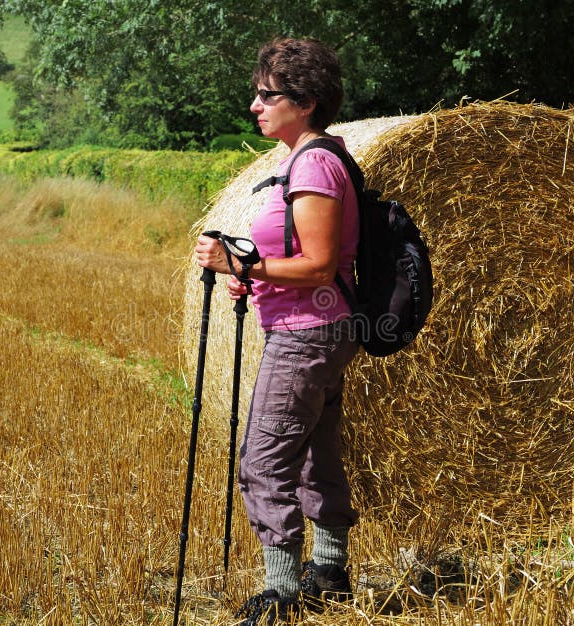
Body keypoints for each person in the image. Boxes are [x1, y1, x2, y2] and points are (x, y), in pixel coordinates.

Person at [194, 37, 359, 625]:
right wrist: (255, 276)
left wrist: (238, 265)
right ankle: (330, 570)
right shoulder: (312, 158)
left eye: (268, 95)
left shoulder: (313, 163)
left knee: (263, 461)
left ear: (307, 101)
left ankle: (283, 593)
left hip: (306, 331)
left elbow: (317, 264)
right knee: (317, 451)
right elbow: (304, 261)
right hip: (320, 326)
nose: (255, 105)